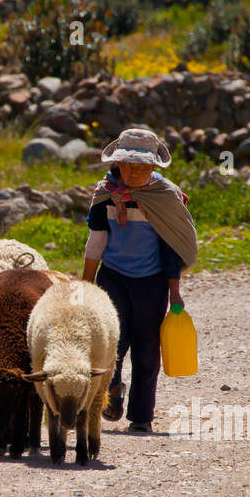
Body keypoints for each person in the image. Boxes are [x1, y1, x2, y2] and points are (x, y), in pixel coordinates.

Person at [81, 128, 198, 433]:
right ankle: (111, 392)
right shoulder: (105, 193)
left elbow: (172, 247)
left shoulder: (164, 197)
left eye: (142, 166)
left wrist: (174, 292)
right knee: (112, 344)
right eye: (128, 165)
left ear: (153, 167)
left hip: (152, 282)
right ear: (116, 164)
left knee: (147, 348)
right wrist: (85, 284)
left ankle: (141, 416)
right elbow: (96, 241)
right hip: (113, 279)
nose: (134, 172)